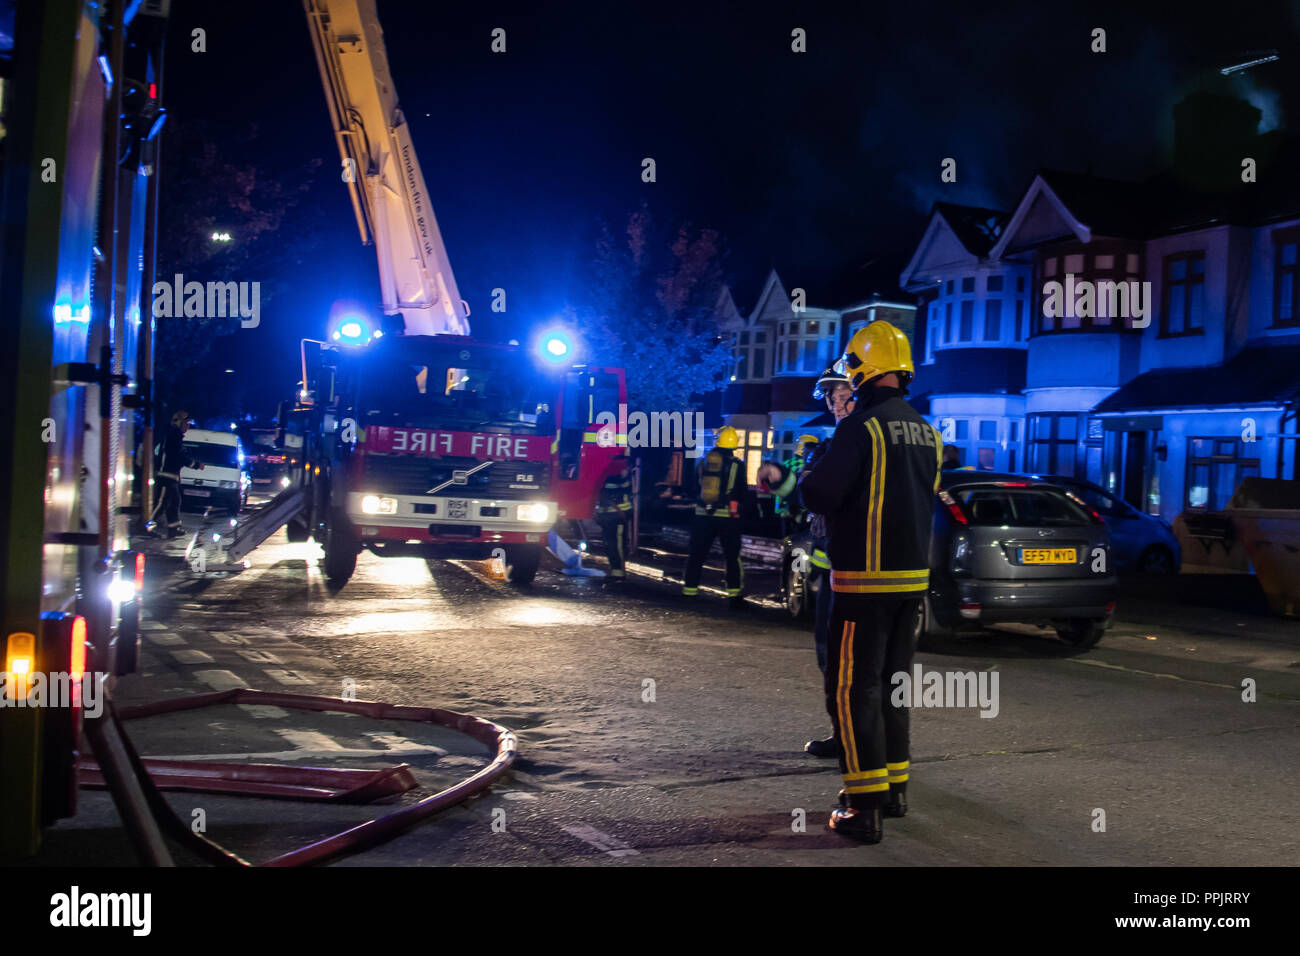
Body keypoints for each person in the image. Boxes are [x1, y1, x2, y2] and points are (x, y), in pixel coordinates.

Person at [799, 321, 942, 844]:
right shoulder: (929, 431)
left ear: (862, 368)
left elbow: (818, 495)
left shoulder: (860, 428)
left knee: (853, 690)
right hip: (911, 586)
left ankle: (863, 809)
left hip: (864, 584)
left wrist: (812, 468)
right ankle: (895, 791)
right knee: (893, 688)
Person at [758, 367, 856, 758]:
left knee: (852, 662)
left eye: (841, 395)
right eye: (831, 397)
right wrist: (782, 479)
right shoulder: (837, 445)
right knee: (832, 657)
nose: (834, 404)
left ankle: (861, 741)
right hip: (834, 569)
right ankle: (845, 731)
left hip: (857, 574)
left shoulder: (859, 442)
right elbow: (809, 495)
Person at [682, 425, 747, 607]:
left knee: (696, 554)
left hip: (702, 515)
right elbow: (741, 492)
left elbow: (694, 487)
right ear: (734, 445)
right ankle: (734, 597)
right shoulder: (737, 465)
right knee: (732, 556)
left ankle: (689, 592)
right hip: (728, 516)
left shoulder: (703, 463)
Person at [151, 410, 202, 539]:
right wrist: (195, 465)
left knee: (174, 501)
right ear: (179, 423)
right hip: (166, 475)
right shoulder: (173, 436)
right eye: (186, 423)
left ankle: (173, 528)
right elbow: (179, 457)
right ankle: (146, 526)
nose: (188, 426)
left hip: (172, 475)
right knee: (161, 503)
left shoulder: (175, 436)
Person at [596, 455, 633, 585]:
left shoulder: (617, 474)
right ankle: (615, 571)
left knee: (617, 546)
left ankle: (619, 574)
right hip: (611, 515)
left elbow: (608, 494)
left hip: (617, 515)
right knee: (610, 545)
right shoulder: (617, 473)